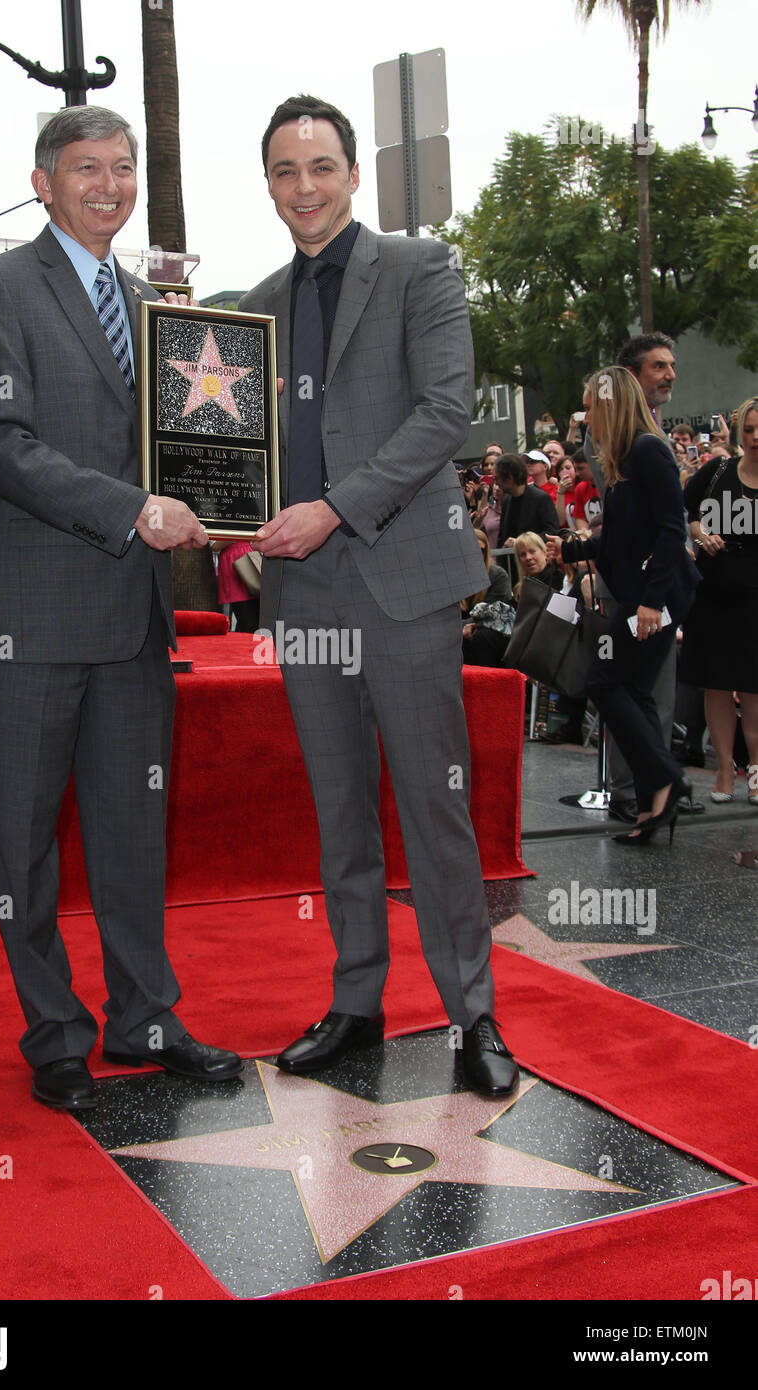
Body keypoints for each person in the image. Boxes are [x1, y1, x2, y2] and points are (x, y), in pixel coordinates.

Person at [0, 105, 242, 1113]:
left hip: (130, 621)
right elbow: (2, 442)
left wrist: (221, 491)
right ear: (42, 181)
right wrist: (136, 510)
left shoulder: (155, 310)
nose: (109, 184)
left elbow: (178, 447)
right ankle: (54, 1032)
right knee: (21, 837)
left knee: (131, 829)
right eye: (87, 168)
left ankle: (145, 1017)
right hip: (29, 617)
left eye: (122, 167)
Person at [242, 93, 517, 1097]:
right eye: (284, 170)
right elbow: (239, 450)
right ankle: (355, 1001)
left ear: (352, 174)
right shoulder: (253, 306)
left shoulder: (418, 268)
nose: (303, 186)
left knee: (433, 805)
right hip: (302, 593)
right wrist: (239, 522)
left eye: (320, 166)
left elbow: (445, 409)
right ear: (267, 184)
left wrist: (332, 507)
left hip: (399, 581)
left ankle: (472, 1016)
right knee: (338, 805)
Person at [547, 367, 700, 845]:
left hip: (655, 600)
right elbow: (618, 538)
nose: (586, 415)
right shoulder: (624, 458)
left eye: (592, 405)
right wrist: (569, 551)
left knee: (606, 682)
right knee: (629, 691)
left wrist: (652, 604)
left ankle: (665, 780)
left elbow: (673, 530)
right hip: (641, 597)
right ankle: (659, 793)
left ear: (611, 404)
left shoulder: (649, 451)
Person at [680, 395, 758, 804]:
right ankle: (725, 768)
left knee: (754, 687)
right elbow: (687, 508)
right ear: (738, 431)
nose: (756, 437)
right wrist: (699, 535)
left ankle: (757, 769)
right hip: (713, 592)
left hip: (754, 597)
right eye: (748, 430)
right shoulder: (718, 470)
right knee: (717, 683)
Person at [462, 528, 515, 667]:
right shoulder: (453, 577)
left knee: (481, 637)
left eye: (480, 550)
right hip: (460, 629)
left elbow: (492, 613)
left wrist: (467, 626)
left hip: (490, 630)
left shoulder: (497, 575)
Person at [496, 453, 560, 548]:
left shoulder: (541, 498)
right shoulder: (506, 500)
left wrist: (522, 543)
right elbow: (502, 537)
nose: (496, 483)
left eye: (497, 478)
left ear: (510, 478)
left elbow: (551, 533)